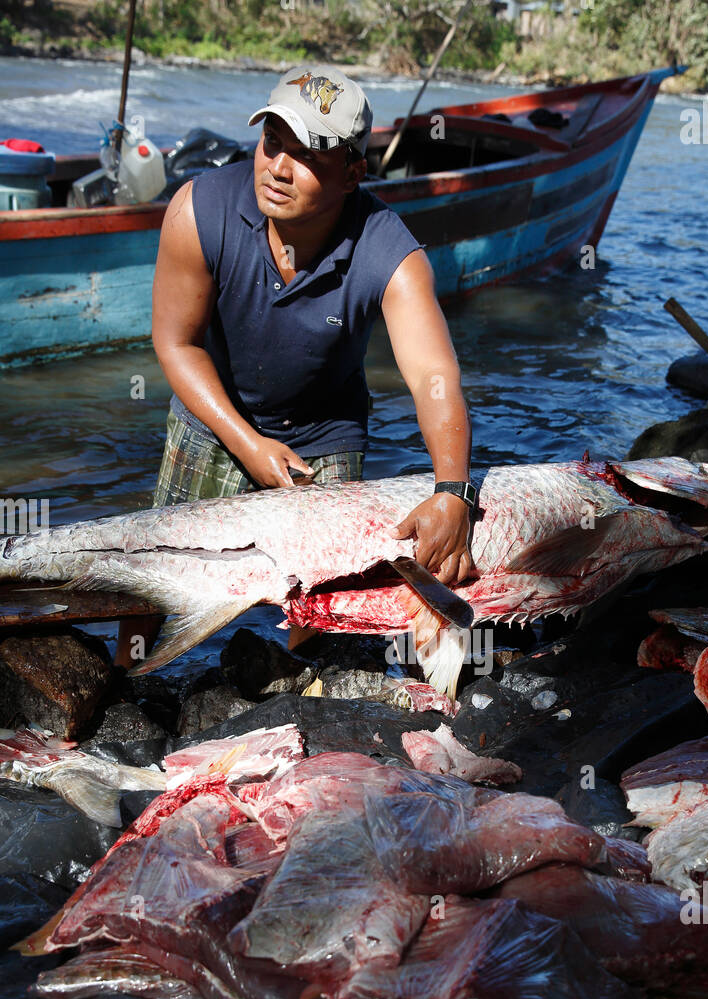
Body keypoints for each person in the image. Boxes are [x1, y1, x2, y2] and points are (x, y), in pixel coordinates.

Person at [117, 61, 475, 668]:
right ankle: (125, 681)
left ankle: (303, 696)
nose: (277, 169)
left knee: (322, 615)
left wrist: (452, 491)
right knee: (158, 582)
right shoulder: (198, 210)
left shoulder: (392, 253)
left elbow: (433, 377)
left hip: (325, 432)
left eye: (305, 156)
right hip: (215, 415)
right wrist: (249, 444)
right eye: (271, 143)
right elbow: (177, 344)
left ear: (353, 173)